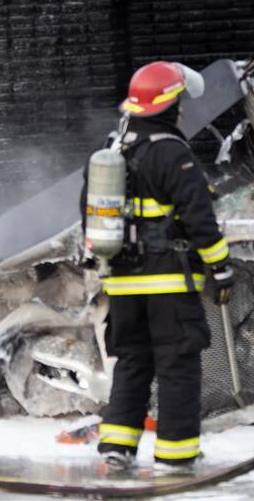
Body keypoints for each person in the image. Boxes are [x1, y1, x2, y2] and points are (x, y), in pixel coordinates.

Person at [90, 62, 235, 473]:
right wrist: (221, 268)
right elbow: (198, 218)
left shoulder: (111, 150)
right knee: (177, 365)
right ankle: (177, 454)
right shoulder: (172, 152)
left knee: (133, 363)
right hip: (168, 282)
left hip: (120, 284)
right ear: (170, 107)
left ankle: (116, 447)